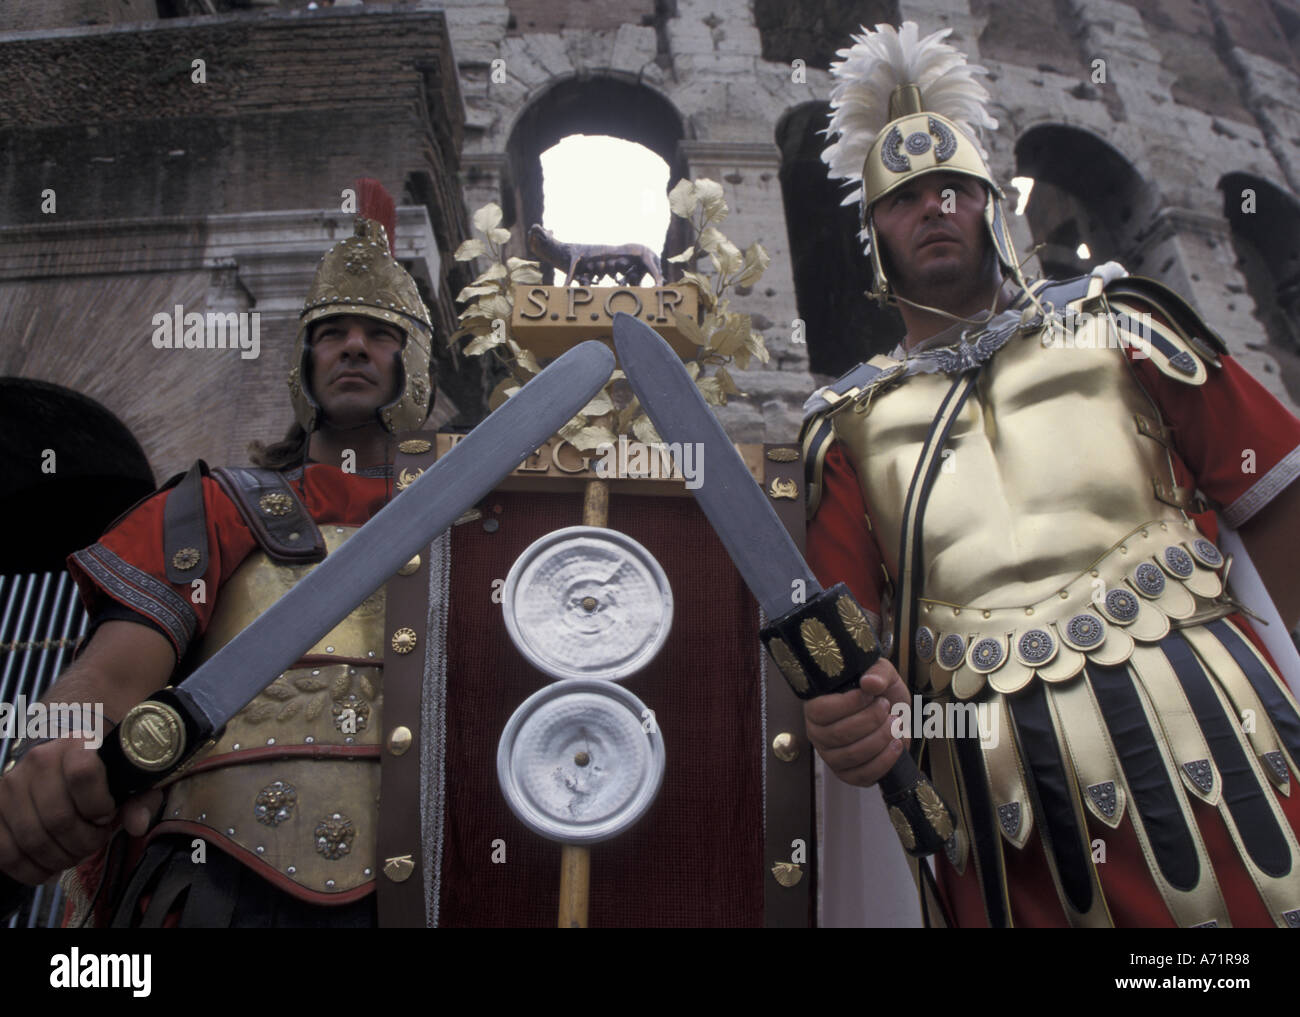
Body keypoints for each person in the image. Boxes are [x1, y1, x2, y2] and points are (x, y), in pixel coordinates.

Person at [800, 22, 1300, 927]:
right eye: (906, 196)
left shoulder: (1124, 321)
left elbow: (1276, 492)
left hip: (1213, 722)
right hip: (997, 791)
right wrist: (844, 718)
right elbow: (843, 646)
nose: (935, 206)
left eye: (955, 187)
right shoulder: (847, 427)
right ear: (874, 232)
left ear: (993, 204)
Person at [0, 181, 438, 926]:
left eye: (379, 332)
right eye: (331, 332)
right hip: (219, 889)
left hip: (428, 882)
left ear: (414, 360)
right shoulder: (215, 508)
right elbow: (112, 676)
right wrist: (63, 747)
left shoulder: (464, 520)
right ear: (304, 364)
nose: (354, 345)